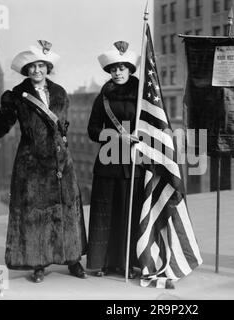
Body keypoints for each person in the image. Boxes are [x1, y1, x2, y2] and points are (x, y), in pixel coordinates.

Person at [0, 41, 87, 283]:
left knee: (67, 211)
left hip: (61, 163)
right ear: (26, 69)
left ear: (47, 67)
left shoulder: (61, 92)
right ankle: (38, 263)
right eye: (32, 66)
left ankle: (73, 259)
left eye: (41, 65)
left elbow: (63, 127)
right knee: (35, 214)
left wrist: (62, 151)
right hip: (32, 164)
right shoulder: (15, 96)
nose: (37, 70)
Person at [86, 41, 143, 278]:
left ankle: (129, 263)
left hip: (134, 162)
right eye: (113, 69)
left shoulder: (143, 96)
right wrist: (114, 136)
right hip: (108, 163)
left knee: (129, 211)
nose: (117, 73)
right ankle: (104, 263)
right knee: (106, 211)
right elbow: (92, 130)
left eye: (122, 68)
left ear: (130, 69)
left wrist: (141, 137)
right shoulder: (103, 98)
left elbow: (156, 126)